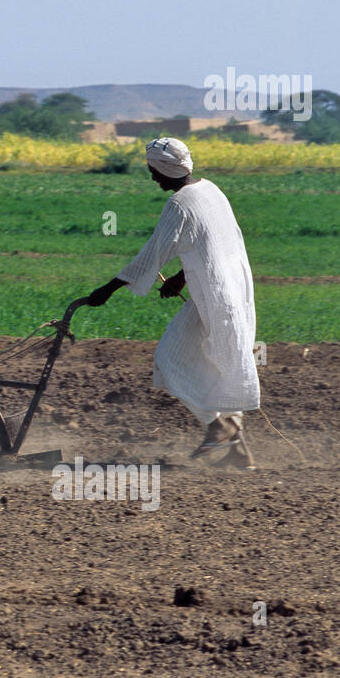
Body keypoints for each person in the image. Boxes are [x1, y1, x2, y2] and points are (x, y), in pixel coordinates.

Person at [81, 137, 259, 468]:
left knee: (170, 358)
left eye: (153, 171)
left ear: (165, 168)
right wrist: (181, 277)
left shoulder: (179, 204)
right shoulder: (210, 190)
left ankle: (218, 426)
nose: (152, 178)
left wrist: (107, 289)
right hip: (231, 290)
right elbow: (214, 243)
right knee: (224, 362)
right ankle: (238, 453)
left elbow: (152, 255)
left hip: (215, 296)